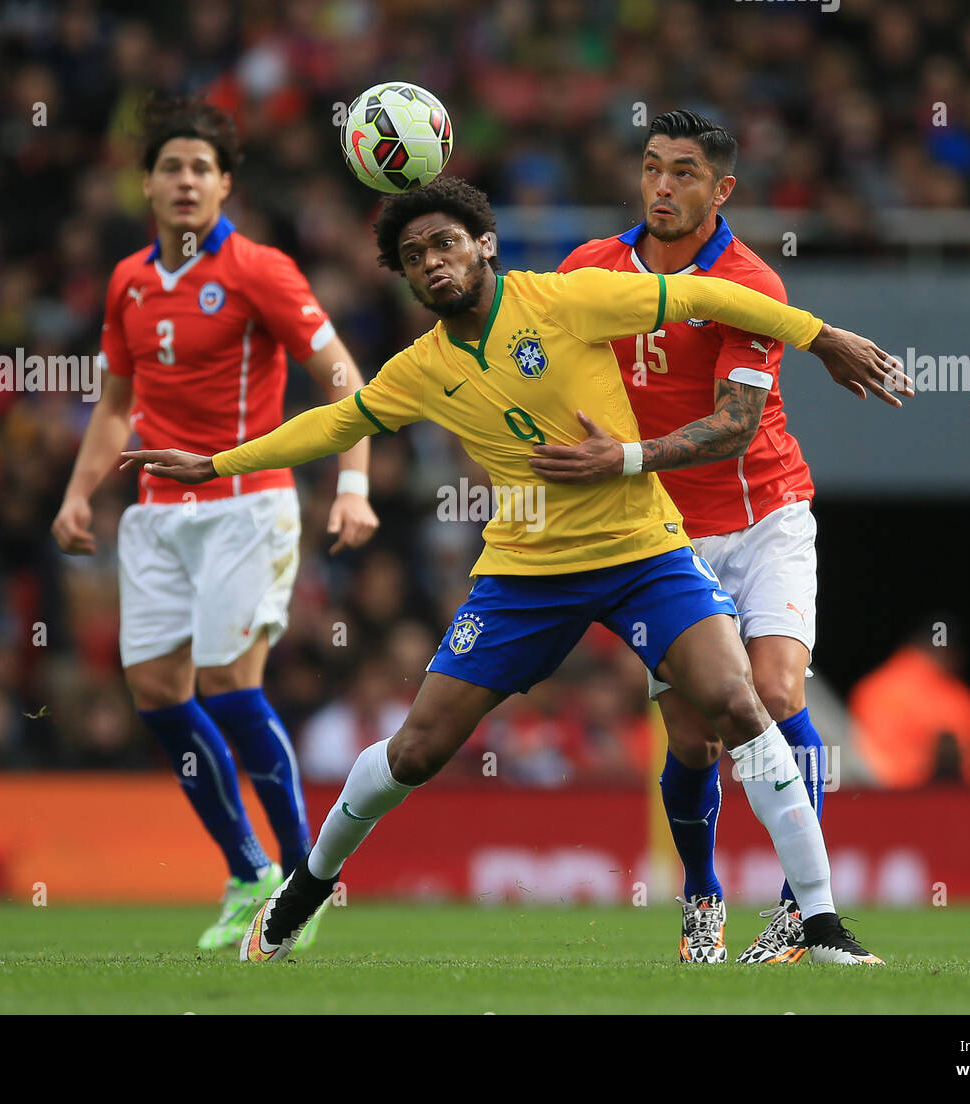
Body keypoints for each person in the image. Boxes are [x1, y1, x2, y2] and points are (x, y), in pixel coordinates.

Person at [123, 176, 905, 965]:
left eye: (445, 243)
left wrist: (821, 335)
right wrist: (217, 463)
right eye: (414, 255)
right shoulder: (422, 367)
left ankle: (821, 927)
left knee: (741, 704)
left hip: (644, 552)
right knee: (417, 751)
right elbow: (335, 423)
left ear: (484, 245)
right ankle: (301, 893)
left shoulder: (567, 300)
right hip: (527, 576)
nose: (433, 262)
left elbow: (714, 296)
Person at [535, 110, 899, 963]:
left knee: (772, 699)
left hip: (766, 512)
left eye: (686, 172)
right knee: (696, 740)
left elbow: (735, 427)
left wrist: (620, 457)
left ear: (722, 188)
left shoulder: (751, 284)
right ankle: (702, 896)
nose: (664, 185)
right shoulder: (589, 268)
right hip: (664, 538)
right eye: (654, 167)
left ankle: (796, 915)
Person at [51, 95, 378, 950]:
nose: (186, 180)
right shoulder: (126, 281)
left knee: (231, 683)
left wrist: (352, 484)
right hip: (157, 515)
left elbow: (345, 379)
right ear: (148, 186)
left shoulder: (260, 271)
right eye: (171, 167)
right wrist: (79, 493)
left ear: (224, 185)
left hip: (248, 503)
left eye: (202, 167)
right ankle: (248, 873)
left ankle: (300, 886)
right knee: (158, 695)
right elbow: (117, 404)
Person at [848, 620, 970, 789]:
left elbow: (859, 761)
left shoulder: (873, 687)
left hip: (876, 800)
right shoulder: (956, 697)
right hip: (937, 802)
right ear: (950, 653)